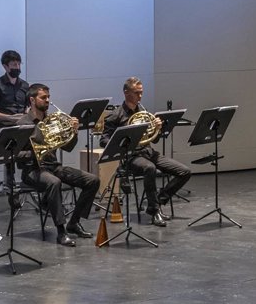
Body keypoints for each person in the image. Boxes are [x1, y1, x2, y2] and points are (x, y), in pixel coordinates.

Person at [100, 77, 191, 227]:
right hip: (131, 157)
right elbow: (103, 140)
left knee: (185, 171)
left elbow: (154, 140)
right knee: (150, 168)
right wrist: (121, 140)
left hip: (148, 152)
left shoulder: (144, 111)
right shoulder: (116, 115)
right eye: (137, 93)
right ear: (126, 92)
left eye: (141, 93)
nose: (140, 96)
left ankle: (158, 200)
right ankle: (154, 210)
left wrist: (158, 128)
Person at [17, 83, 99, 245]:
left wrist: (74, 132)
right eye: (43, 97)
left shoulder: (51, 121)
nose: (47, 100)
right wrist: (36, 152)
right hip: (32, 170)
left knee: (92, 180)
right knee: (54, 182)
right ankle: (61, 232)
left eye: (48, 97)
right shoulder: (23, 123)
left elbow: (68, 147)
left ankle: (73, 223)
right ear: (32, 100)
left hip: (53, 167)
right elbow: (16, 155)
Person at [0, 49, 31, 129]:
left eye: (19, 64)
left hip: (22, 125)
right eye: (14, 65)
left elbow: (28, 105)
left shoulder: (25, 85)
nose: (18, 67)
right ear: (5, 66)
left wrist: (27, 112)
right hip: (3, 126)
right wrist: (8, 118)